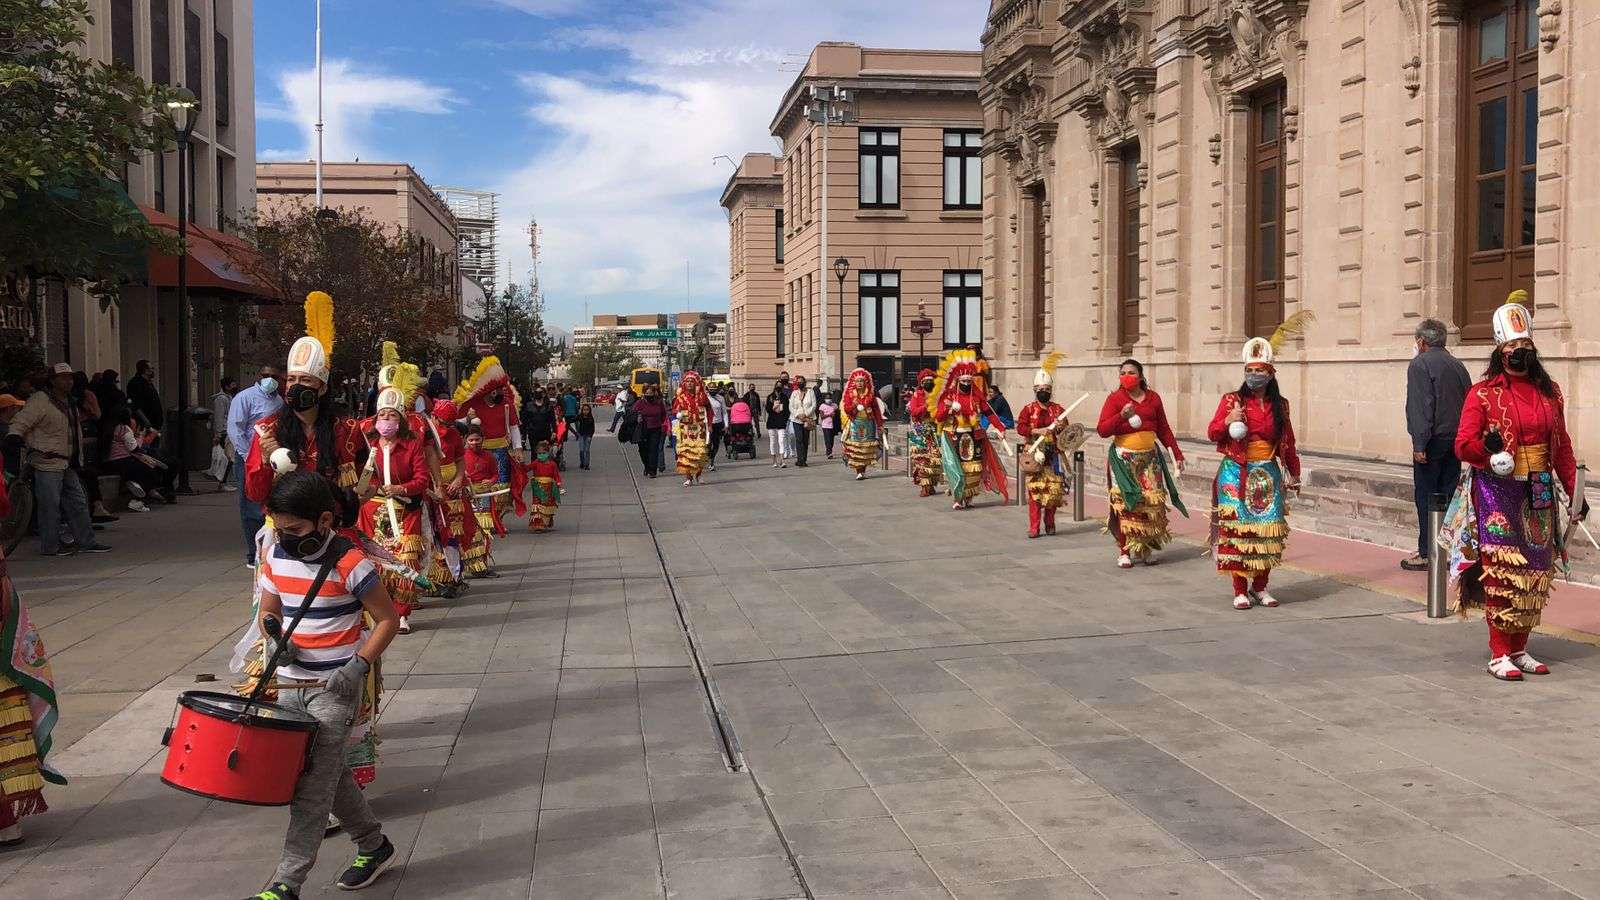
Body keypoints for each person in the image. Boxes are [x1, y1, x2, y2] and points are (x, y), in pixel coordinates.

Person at [244, 471, 400, 900]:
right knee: (325, 773)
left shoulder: (352, 564)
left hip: (336, 688)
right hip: (290, 684)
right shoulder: (275, 554)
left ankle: (286, 883)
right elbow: (269, 607)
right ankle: (373, 844)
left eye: (296, 530)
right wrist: (275, 635)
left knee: (310, 788)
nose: (287, 537)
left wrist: (360, 664)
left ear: (325, 520)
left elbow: (387, 620)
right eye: (280, 528)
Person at [1444, 294, 1581, 681]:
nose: (1520, 351)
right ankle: (1499, 650)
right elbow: (1462, 443)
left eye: (1525, 345)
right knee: (1503, 570)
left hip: (1538, 490)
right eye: (1512, 346)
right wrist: (1487, 453)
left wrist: (1575, 492)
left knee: (1535, 571)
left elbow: (1563, 448)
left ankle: (1519, 646)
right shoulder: (1483, 393)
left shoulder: (1549, 392)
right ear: (1500, 350)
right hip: (1497, 491)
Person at [1207, 322, 1306, 610]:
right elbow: (1213, 433)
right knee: (1239, 530)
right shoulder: (1231, 401)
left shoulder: (1281, 405)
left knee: (1267, 530)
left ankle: (1260, 586)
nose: (1253, 376)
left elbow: (1288, 440)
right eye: (1249, 371)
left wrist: (1295, 471)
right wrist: (1228, 421)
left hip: (1268, 473)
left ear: (1270, 373)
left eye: (1259, 371)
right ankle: (1239, 588)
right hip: (1236, 471)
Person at [4, 363, 110, 557]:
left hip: (66, 461)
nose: (68, 381)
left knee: (77, 502)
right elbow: (22, 420)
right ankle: (51, 546)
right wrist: (14, 435)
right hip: (46, 460)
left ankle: (86, 541)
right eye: (63, 378)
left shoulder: (69, 402)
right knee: (49, 505)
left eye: (70, 378)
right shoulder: (40, 400)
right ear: (53, 381)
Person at [1098, 358, 1188, 567]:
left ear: (1140, 376)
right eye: (1122, 373)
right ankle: (1125, 550)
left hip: (1150, 459)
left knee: (1149, 503)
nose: (1126, 376)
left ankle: (1146, 548)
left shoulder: (1153, 398)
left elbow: (1164, 429)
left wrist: (1177, 454)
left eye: (1131, 372)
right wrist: (1121, 416)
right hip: (1123, 459)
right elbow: (1102, 430)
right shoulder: (1115, 399)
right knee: (1127, 502)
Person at [356, 387, 429, 635]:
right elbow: (362, 480)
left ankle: (401, 613)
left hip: (405, 511)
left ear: (401, 420)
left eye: (392, 416)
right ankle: (378, 609)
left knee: (404, 562)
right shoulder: (370, 446)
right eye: (383, 415)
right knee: (375, 563)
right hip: (373, 512)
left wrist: (401, 488)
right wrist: (369, 486)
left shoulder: (411, 446)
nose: (387, 420)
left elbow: (421, 480)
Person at [1402, 318, 1471, 571]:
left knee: (1426, 496)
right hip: (1455, 440)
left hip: (1432, 440)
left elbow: (1422, 405)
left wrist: (1419, 443)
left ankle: (1427, 551)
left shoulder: (1420, 364)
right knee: (1449, 495)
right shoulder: (1458, 365)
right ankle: (1447, 548)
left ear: (1421, 341)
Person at [931, 351, 1008, 510]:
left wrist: (1000, 427)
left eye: (969, 380)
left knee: (974, 467)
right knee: (956, 467)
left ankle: (969, 497)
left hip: (974, 435)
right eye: (963, 380)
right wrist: (950, 409)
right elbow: (938, 417)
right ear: (958, 380)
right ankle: (958, 497)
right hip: (954, 435)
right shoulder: (949, 396)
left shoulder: (977, 396)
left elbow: (988, 413)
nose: (966, 383)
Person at [229, 365, 284, 567]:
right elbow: (235, 429)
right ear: (259, 376)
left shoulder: (279, 401)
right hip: (247, 457)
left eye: (274, 376)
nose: (269, 379)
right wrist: (248, 457)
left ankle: (267, 549)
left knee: (266, 505)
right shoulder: (244, 398)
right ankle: (253, 554)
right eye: (265, 376)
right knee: (250, 506)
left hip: (271, 459)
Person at [1016, 356, 1071, 539]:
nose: (1044, 392)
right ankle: (1034, 527)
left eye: (1047, 389)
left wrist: (1061, 426)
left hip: (1053, 455)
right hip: (1035, 454)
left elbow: (1067, 431)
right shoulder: (1028, 409)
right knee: (1035, 493)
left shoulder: (1058, 409)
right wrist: (1037, 430)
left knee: (1053, 492)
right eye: (1040, 389)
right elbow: (1021, 428)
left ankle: (1050, 523)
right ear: (1034, 390)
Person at [455, 357, 522, 489]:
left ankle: (499, 508)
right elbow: (458, 424)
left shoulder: (507, 404)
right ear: (492, 391)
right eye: (501, 389)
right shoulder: (473, 403)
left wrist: (518, 449)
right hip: (478, 450)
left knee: (501, 482)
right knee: (479, 480)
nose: (504, 391)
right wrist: (468, 418)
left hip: (501, 450)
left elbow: (514, 427)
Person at [99, 405, 175, 510]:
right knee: (151, 472)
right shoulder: (124, 429)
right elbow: (134, 448)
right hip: (124, 462)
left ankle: (140, 489)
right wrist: (140, 436)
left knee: (147, 467)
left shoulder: (110, 428)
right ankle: (137, 500)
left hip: (111, 462)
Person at [838, 369, 883, 481]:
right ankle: (859, 471)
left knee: (866, 448)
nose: (860, 383)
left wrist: (880, 424)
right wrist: (853, 405)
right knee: (856, 448)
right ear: (854, 382)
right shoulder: (850, 395)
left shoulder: (871, 395)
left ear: (865, 382)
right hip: (855, 423)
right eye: (857, 381)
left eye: (862, 381)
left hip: (869, 424)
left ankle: (863, 471)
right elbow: (846, 409)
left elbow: (876, 410)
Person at [672, 372, 713, 486]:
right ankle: (688, 478)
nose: (689, 384)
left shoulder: (702, 397)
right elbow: (674, 410)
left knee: (700, 454)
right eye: (688, 382)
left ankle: (699, 475)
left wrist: (709, 425)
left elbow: (709, 410)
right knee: (686, 454)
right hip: (685, 430)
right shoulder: (680, 398)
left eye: (692, 382)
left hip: (700, 429)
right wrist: (677, 413)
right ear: (684, 383)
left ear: (696, 383)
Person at [906, 369, 942, 498]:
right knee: (922, 458)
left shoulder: (938, 395)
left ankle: (931, 484)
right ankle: (924, 486)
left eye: (930, 381)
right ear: (921, 383)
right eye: (925, 381)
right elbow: (914, 411)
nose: (927, 383)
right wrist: (926, 407)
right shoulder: (917, 395)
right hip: (921, 430)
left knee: (935, 459)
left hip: (935, 429)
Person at [522, 440, 562, 531]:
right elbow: (527, 469)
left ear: (548, 453)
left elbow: (556, 475)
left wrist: (559, 483)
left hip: (549, 488)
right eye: (539, 453)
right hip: (537, 487)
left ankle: (546, 522)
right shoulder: (536, 462)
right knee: (537, 504)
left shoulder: (553, 464)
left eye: (543, 453)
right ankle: (537, 524)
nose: (541, 455)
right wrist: (520, 464)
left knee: (547, 505)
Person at [632, 383, 669, 478]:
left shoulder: (659, 402)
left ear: (654, 393)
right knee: (643, 450)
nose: (649, 395)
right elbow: (633, 414)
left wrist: (661, 423)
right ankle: (646, 466)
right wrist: (638, 418)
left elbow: (663, 414)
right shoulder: (639, 403)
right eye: (647, 393)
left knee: (654, 449)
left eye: (651, 393)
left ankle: (652, 470)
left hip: (656, 429)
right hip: (643, 429)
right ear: (644, 394)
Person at [126, 359, 163, 432]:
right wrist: (145, 420)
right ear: (145, 370)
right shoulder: (136, 384)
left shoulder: (148, 383)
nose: (153, 371)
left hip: (154, 423)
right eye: (151, 368)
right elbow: (133, 404)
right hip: (145, 424)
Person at [789, 375, 817, 467]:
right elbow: (791, 406)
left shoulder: (810, 392)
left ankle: (803, 458)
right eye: (798, 382)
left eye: (802, 382)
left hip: (807, 419)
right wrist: (798, 415)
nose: (800, 383)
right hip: (796, 419)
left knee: (805, 440)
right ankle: (800, 460)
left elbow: (813, 405)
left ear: (805, 383)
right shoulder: (794, 393)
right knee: (799, 439)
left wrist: (806, 414)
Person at [765, 381, 790, 468]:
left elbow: (787, 410)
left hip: (781, 422)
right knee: (773, 442)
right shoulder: (770, 397)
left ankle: (782, 461)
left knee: (781, 441)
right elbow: (767, 409)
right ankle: (774, 461)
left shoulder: (784, 397)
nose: (779, 387)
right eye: (777, 385)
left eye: (780, 386)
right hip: (772, 421)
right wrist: (773, 407)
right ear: (775, 386)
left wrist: (785, 419)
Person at [706, 389, 726, 472]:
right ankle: (709, 460)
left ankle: (712, 459)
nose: (712, 391)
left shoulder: (720, 398)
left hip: (718, 423)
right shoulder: (705, 397)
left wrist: (726, 425)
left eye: (714, 390)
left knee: (716, 444)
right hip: (708, 423)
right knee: (708, 443)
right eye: (711, 390)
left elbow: (724, 412)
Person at [818, 392, 838, 459]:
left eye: (829, 398)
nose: (828, 399)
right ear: (824, 399)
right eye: (827, 398)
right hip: (825, 425)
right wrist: (829, 415)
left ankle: (829, 451)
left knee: (831, 440)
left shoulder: (834, 405)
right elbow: (822, 416)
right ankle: (829, 453)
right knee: (827, 440)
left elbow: (837, 412)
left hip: (833, 425)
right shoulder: (822, 406)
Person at [576, 402, 596, 470]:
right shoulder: (579, 416)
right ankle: (582, 462)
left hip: (588, 436)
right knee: (581, 450)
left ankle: (587, 464)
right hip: (581, 435)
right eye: (584, 410)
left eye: (587, 410)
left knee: (587, 450)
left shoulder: (591, 418)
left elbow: (592, 429)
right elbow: (573, 419)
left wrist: (590, 436)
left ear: (589, 410)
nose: (585, 411)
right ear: (582, 410)